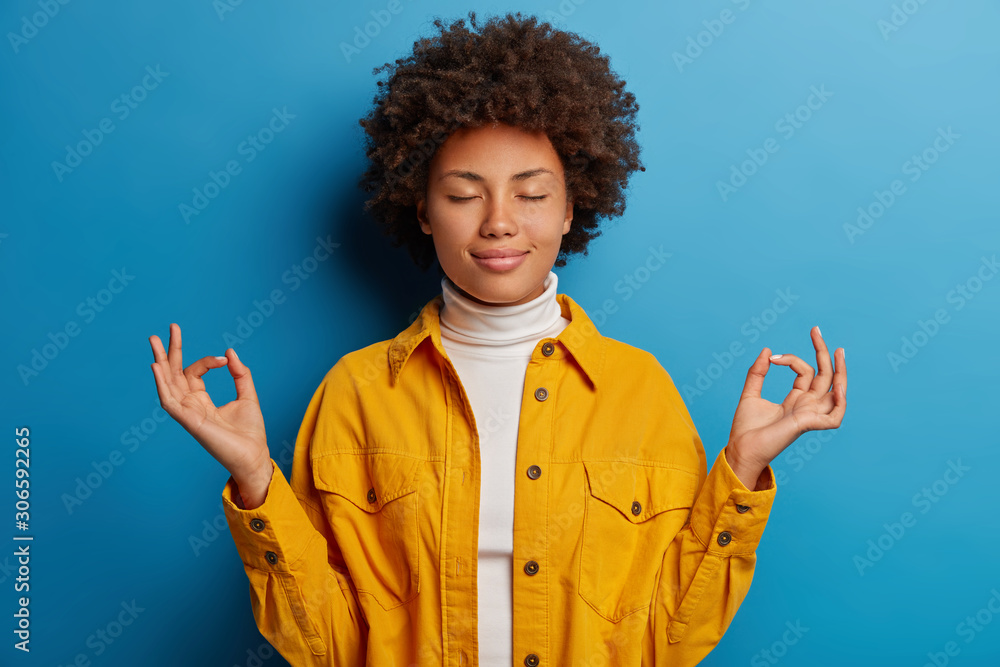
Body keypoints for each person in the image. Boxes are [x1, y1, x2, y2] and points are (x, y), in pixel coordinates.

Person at [148, 11, 846, 666]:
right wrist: (254, 477)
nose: (499, 222)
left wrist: (745, 467)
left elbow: (671, 636)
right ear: (421, 210)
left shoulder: (640, 391)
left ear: (573, 207)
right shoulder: (355, 393)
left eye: (532, 193)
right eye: (463, 194)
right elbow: (327, 645)